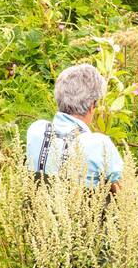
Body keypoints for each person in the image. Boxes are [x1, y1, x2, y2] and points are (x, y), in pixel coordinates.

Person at [26, 63, 122, 192]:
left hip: (35, 210)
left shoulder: (36, 130)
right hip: (85, 211)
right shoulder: (100, 144)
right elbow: (125, 194)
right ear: (92, 105)